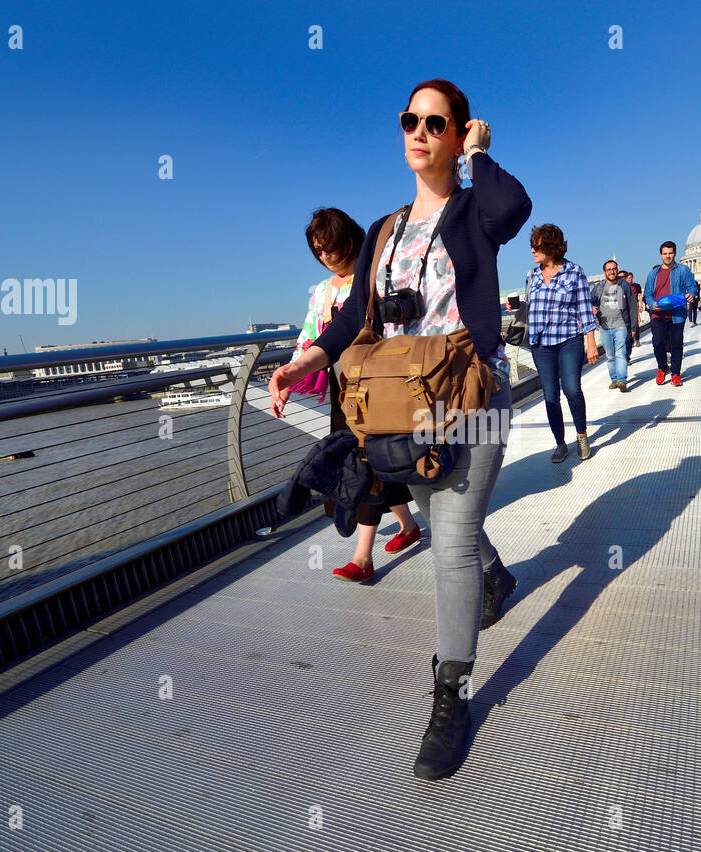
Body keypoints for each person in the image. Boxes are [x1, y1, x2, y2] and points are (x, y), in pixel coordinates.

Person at [269, 78, 531, 781]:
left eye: (436, 123)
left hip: (471, 399)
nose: (419, 131)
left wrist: (480, 154)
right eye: (409, 120)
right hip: (401, 412)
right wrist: (305, 364)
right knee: (441, 520)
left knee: (448, 543)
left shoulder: (477, 207)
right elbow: (354, 319)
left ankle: (450, 695)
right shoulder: (384, 231)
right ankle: (495, 576)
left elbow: (515, 211)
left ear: (459, 132)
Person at [281, 208, 421, 582]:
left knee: (367, 460)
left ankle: (362, 557)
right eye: (319, 251)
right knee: (373, 459)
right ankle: (408, 526)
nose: (326, 256)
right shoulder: (322, 291)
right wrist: (290, 374)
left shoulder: (377, 274)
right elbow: (310, 337)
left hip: (382, 381)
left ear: (351, 238)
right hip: (346, 387)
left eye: (331, 247)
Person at [525, 223, 598, 461]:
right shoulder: (531, 275)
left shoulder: (574, 272)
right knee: (549, 396)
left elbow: (585, 310)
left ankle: (581, 435)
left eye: (536, 246)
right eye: (532, 246)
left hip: (568, 340)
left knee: (572, 390)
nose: (532, 251)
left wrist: (591, 342)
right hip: (540, 345)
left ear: (551, 247)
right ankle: (560, 443)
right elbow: (529, 307)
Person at [642, 241, 697, 386]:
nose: (668, 256)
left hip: (676, 315)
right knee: (658, 343)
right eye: (665, 253)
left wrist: (691, 294)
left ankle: (676, 374)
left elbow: (692, 286)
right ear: (660, 255)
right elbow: (648, 293)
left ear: (675, 254)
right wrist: (652, 304)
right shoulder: (653, 273)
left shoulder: (683, 270)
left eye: (670, 253)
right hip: (658, 315)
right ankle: (662, 367)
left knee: (676, 345)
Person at [591, 260, 635, 392]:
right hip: (604, 327)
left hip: (621, 324)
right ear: (604, 272)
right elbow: (589, 303)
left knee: (621, 353)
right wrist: (591, 308)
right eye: (609, 269)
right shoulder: (598, 288)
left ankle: (622, 380)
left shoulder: (624, 286)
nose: (612, 271)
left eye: (614, 269)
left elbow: (632, 306)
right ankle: (614, 379)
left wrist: (633, 327)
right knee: (610, 355)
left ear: (617, 270)